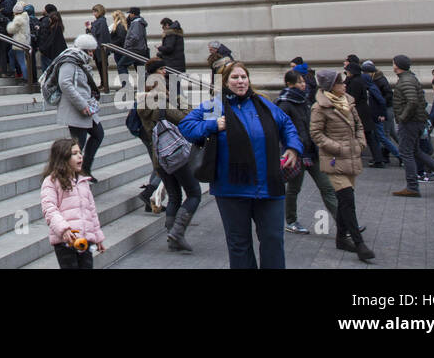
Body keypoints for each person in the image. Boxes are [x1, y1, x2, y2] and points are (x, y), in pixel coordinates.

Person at [178, 62, 302, 269]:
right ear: (225, 81)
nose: (240, 81)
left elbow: (287, 124)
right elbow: (186, 127)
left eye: (243, 77)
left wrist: (293, 147)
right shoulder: (215, 106)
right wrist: (213, 125)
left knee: (273, 241)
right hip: (231, 189)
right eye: (234, 77)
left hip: (269, 186)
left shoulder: (263, 104)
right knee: (239, 244)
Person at [310, 69, 376, 262]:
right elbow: (316, 134)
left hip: (352, 157)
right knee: (347, 200)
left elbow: (359, 126)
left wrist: (360, 143)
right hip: (334, 160)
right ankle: (359, 243)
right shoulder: (319, 107)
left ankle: (340, 238)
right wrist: (337, 147)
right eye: (340, 82)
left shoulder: (348, 102)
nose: (344, 85)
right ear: (331, 86)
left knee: (345, 201)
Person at [137, 67, 200, 252]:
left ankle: (172, 235)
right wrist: (179, 99)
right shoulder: (164, 103)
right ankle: (177, 233)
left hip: (160, 158)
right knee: (194, 193)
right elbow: (187, 118)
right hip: (177, 156)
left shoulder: (142, 105)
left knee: (174, 195)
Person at [277, 69, 340, 240]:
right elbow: (281, 130)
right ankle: (291, 221)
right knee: (294, 189)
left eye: (303, 82)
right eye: (299, 82)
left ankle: (344, 222)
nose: (303, 85)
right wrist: (291, 148)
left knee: (327, 187)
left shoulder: (304, 100)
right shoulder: (285, 103)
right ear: (290, 84)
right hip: (296, 154)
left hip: (312, 152)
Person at [390, 54, 434, 197]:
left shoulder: (406, 80)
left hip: (410, 122)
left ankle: (412, 187)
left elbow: (413, 101)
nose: (392, 65)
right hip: (416, 121)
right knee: (416, 152)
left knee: (406, 153)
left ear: (397, 65)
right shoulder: (409, 78)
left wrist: (402, 118)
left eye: (393, 63)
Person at [39, 138, 106, 269]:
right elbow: (49, 209)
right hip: (66, 240)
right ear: (62, 158)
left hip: (86, 239)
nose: (80, 156)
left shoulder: (83, 182)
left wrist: (97, 237)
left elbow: (91, 211)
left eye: (80, 153)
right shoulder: (51, 181)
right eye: (74, 154)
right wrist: (64, 229)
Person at [55, 35, 104, 182]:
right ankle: (69, 175)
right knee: (77, 146)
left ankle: (84, 169)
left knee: (98, 134)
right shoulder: (69, 62)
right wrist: (82, 104)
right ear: (84, 50)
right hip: (76, 109)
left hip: (85, 108)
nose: (92, 54)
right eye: (90, 51)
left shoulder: (78, 62)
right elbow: (65, 83)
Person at [109, 9, 129, 84]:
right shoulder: (122, 25)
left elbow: (121, 38)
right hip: (120, 49)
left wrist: (111, 44)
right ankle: (125, 84)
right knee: (122, 67)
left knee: (121, 67)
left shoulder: (119, 26)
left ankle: (125, 85)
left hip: (119, 50)